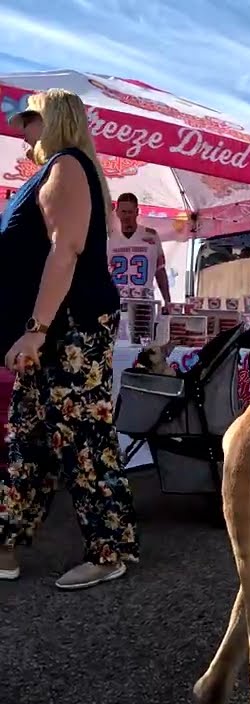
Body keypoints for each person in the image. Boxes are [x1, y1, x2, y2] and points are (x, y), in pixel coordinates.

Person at [0, 89, 139, 590]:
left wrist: (35, 330)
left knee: (83, 436)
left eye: (30, 119)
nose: (22, 130)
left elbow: (67, 250)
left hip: (69, 326)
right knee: (29, 436)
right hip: (51, 330)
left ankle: (109, 550)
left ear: (55, 119)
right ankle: (5, 544)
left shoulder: (67, 165)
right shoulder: (54, 170)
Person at [108, 192, 171, 309]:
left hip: (144, 302)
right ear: (117, 212)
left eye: (130, 212)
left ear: (137, 212)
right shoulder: (110, 239)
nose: (127, 216)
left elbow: (160, 270)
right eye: (123, 212)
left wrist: (167, 301)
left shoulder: (151, 236)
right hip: (116, 304)